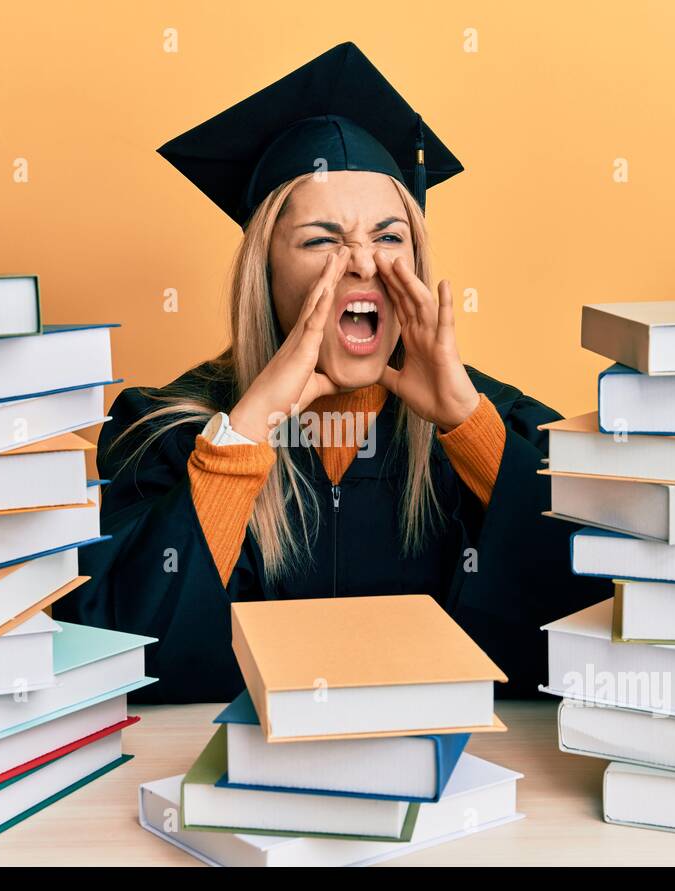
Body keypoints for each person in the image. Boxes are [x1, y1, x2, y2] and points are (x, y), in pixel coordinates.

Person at [54, 41, 610, 703]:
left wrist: (470, 429)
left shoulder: (496, 423)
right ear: (264, 270)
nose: (364, 262)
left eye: (389, 235)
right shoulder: (164, 432)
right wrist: (246, 433)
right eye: (322, 239)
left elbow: (606, 613)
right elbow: (114, 652)